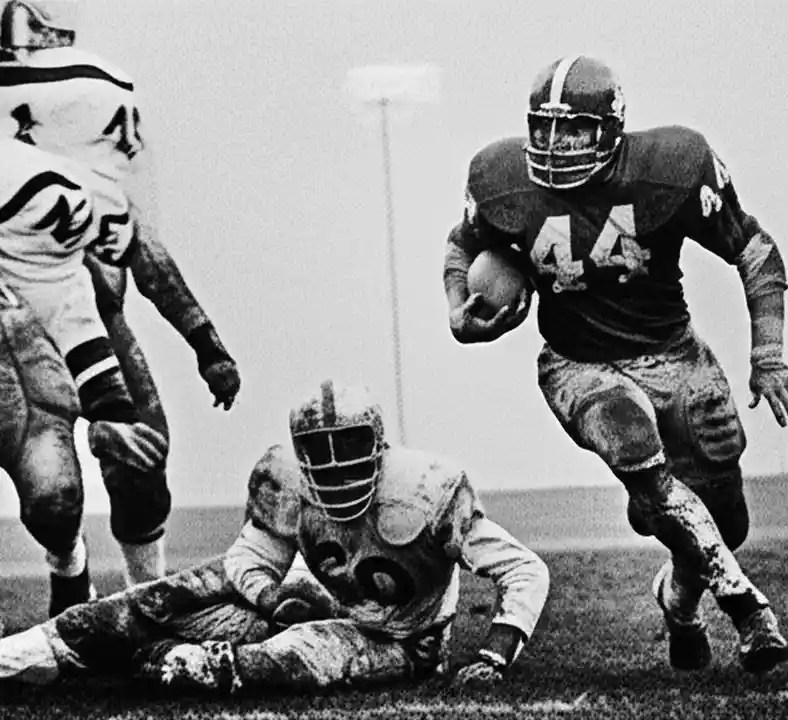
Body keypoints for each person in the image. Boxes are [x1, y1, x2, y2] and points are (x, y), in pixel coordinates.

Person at [442, 54, 788, 674]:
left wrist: (768, 355)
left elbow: (756, 251)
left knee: (725, 516)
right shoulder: (500, 179)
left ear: (610, 128)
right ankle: (748, 609)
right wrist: (458, 309)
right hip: (578, 363)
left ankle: (678, 601)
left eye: (575, 130)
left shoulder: (672, 168)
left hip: (675, 352)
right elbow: (463, 244)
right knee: (640, 454)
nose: (556, 146)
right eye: (543, 129)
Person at [0, 379, 551, 693]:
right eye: (319, 452)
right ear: (298, 452)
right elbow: (246, 560)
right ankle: (29, 653)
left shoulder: (427, 491)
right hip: (315, 593)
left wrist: (495, 654)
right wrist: (270, 596)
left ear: (380, 445)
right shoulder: (285, 478)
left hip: (402, 636)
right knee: (169, 594)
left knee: (289, 656)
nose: (334, 467)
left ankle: (156, 662)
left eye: (350, 446)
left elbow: (524, 569)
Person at [0, 0, 242, 586]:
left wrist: (206, 344)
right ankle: (69, 566)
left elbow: (145, 255)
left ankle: (146, 597)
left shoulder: (98, 183)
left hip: (102, 324)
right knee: (51, 499)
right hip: (22, 346)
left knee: (141, 468)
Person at [0, 135, 168, 615]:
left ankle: (128, 592)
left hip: (47, 375)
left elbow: (72, 299)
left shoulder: (45, 184)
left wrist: (111, 404)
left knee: (60, 501)